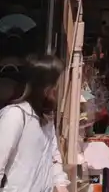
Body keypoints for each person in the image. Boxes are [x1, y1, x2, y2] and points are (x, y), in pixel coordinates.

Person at [0, 54, 69, 192]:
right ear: (46, 88)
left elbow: (53, 156)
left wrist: (61, 185)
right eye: (57, 84)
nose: (59, 90)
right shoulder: (16, 115)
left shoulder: (46, 117)